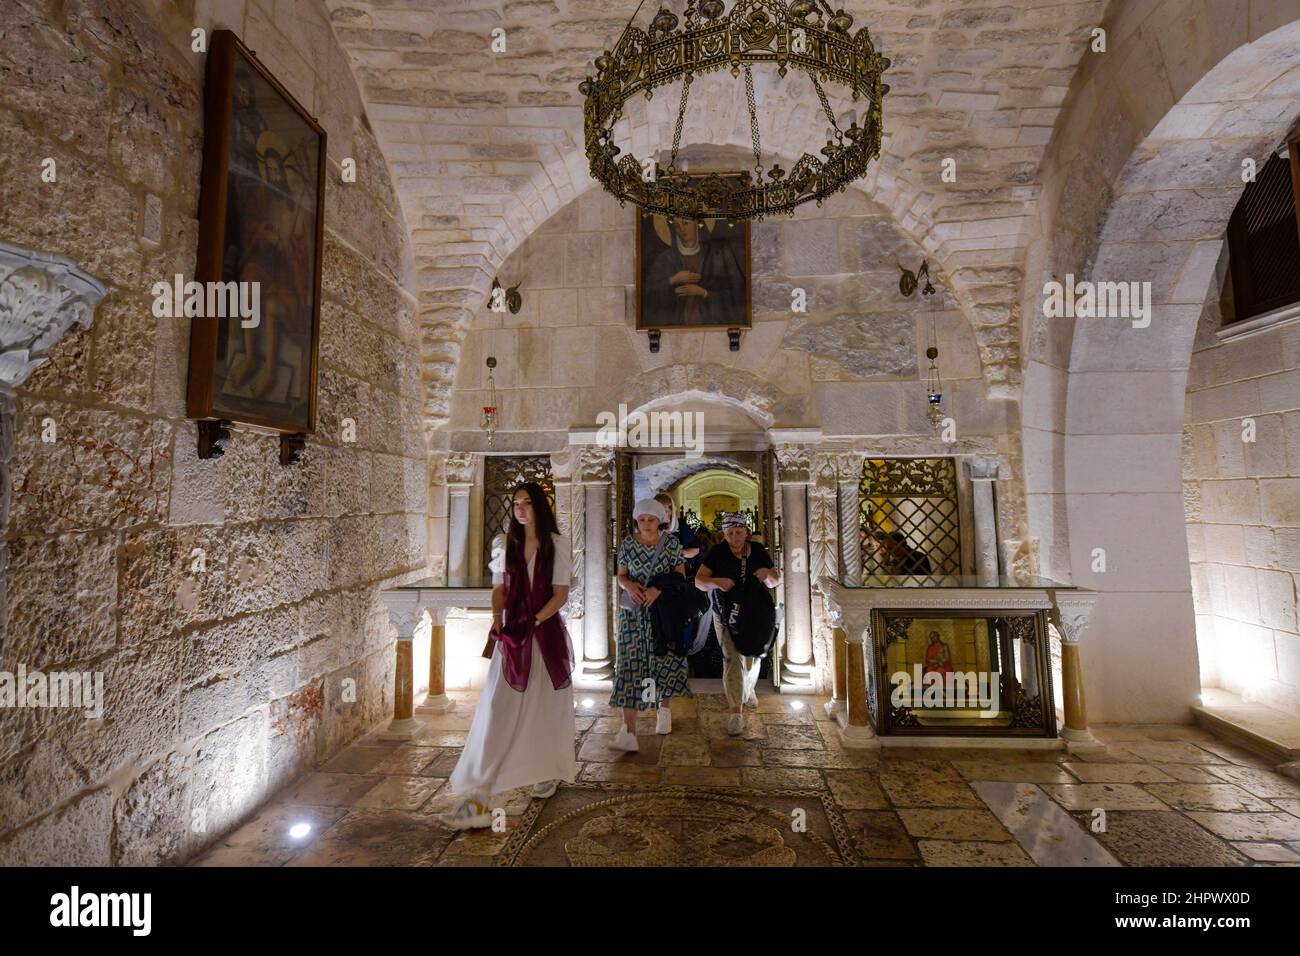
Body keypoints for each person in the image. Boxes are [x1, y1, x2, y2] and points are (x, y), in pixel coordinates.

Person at [439, 483, 575, 830]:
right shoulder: (503, 544)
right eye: (516, 503)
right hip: (512, 638)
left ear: (541, 508)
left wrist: (534, 621)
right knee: (497, 711)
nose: (520, 509)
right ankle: (478, 800)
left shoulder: (556, 545)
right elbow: (499, 588)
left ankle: (546, 769)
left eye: (528, 503)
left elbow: (560, 595)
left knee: (545, 707)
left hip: (544, 638)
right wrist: (498, 620)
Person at [610, 498, 691, 749]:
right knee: (629, 665)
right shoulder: (628, 543)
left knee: (663, 660)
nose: (646, 524)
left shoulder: (671, 543)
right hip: (633, 615)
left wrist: (657, 589)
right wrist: (629, 585)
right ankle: (628, 729)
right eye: (642, 519)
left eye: (651, 519)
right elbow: (621, 574)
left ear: (660, 520)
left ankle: (663, 710)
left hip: (662, 613)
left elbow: (680, 576)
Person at [695, 513, 781, 736]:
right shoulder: (717, 553)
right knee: (732, 657)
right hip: (725, 614)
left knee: (752, 656)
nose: (734, 538)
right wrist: (716, 582)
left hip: (754, 612)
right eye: (730, 533)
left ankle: (747, 688)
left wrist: (767, 575)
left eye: (739, 532)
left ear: (747, 532)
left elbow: (775, 579)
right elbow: (699, 581)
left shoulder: (758, 551)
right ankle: (736, 712)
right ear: (723, 534)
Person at [643, 216, 747, 327]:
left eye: (686, 223)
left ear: (697, 224)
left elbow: (737, 294)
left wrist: (703, 293)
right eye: (677, 226)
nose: (682, 230)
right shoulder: (665, 259)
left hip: (712, 325)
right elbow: (649, 295)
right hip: (676, 328)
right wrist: (673, 280)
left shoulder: (718, 254)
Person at [654, 492, 701, 574]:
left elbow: (695, 550)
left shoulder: (682, 528)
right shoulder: (651, 528)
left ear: (671, 511)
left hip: (680, 572)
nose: (661, 515)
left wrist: (675, 553)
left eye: (664, 511)